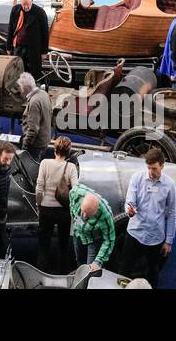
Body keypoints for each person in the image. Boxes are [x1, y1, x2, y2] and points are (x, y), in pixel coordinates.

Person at [122, 147, 176, 283]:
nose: (151, 172)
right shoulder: (136, 178)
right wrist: (129, 209)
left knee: (153, 273)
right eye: (149, 168)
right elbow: (129, 201)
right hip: (135, 233)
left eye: (154, 168)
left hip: (155, 237)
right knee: (124, 271)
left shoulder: (169, 185)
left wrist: (169, 241)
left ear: (162, 166)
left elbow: (171, 214)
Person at [35, 136, 78, 271]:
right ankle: (62, 273)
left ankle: (41, 272)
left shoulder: (45, 163)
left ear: (55, 150)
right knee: (63, 246)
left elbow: (39, 187)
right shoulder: (71, 167)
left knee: (43, 246)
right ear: (68, 151)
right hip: (64, 211)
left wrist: (39, 204)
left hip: (46, 209)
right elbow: (76, 190)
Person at [70, 184, 116, 271]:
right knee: (80, 264)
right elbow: (71, 207)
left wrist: (98, 262)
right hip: (78, 234)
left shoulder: (106, 215)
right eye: (83, 212)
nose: (84, 216)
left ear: (96, 210)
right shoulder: (74, 193)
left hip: (93, 239)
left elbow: (109, 240)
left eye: (88, 216)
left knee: (90, 270)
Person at [19, 72, 52, 151]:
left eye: (20, 87)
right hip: (45, 140)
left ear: (25, 88)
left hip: (36, 145)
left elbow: (33, 129)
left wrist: (25, 146)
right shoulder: (44, 93)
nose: (19, 90)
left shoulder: (34, 102)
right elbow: (50, 113)